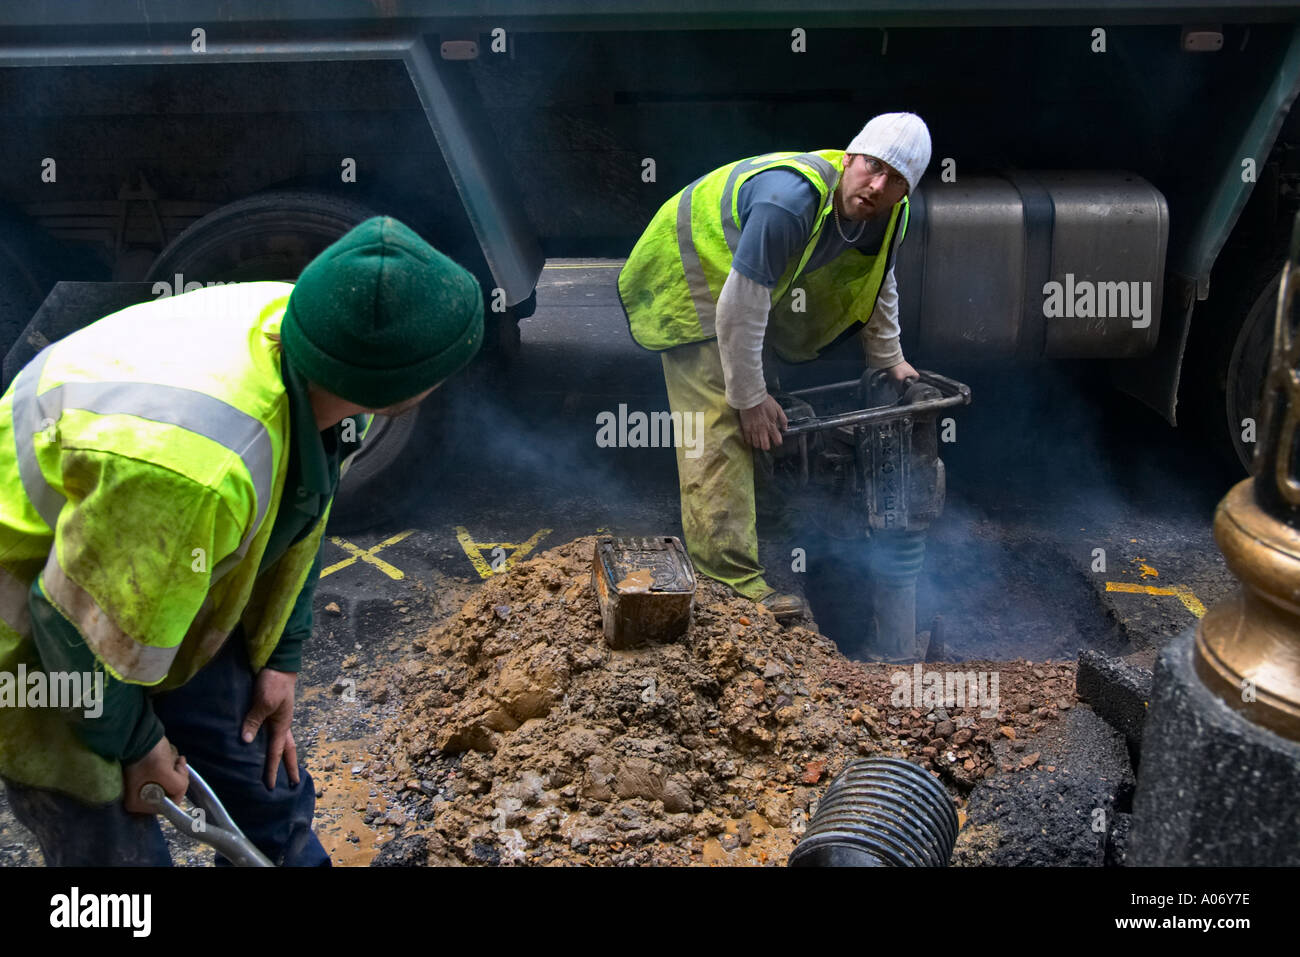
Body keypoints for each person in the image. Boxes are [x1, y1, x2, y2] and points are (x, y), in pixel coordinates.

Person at [0, 215, 484, 865]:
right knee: (117, 849)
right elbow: (71, 630)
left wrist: (280, 655)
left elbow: (302, 514)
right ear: (392, 388)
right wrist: (141, 743)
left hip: (146, 581)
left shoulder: (317, 345)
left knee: (265, 783)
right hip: (41, 644)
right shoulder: (201, 467)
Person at [618, 112, 932, 618]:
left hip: (749, 287)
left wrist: (889, 358)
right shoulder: (789, 201)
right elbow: (738, 305)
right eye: (871, 166)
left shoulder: (890, 215)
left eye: (895, 180)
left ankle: (767, 521)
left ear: (906, 192)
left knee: (763, 404)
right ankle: (729, 581)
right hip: (689, 273)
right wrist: (747, 398)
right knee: (720, 416)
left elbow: (877, 281)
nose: (876, 186)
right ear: (849, 156)